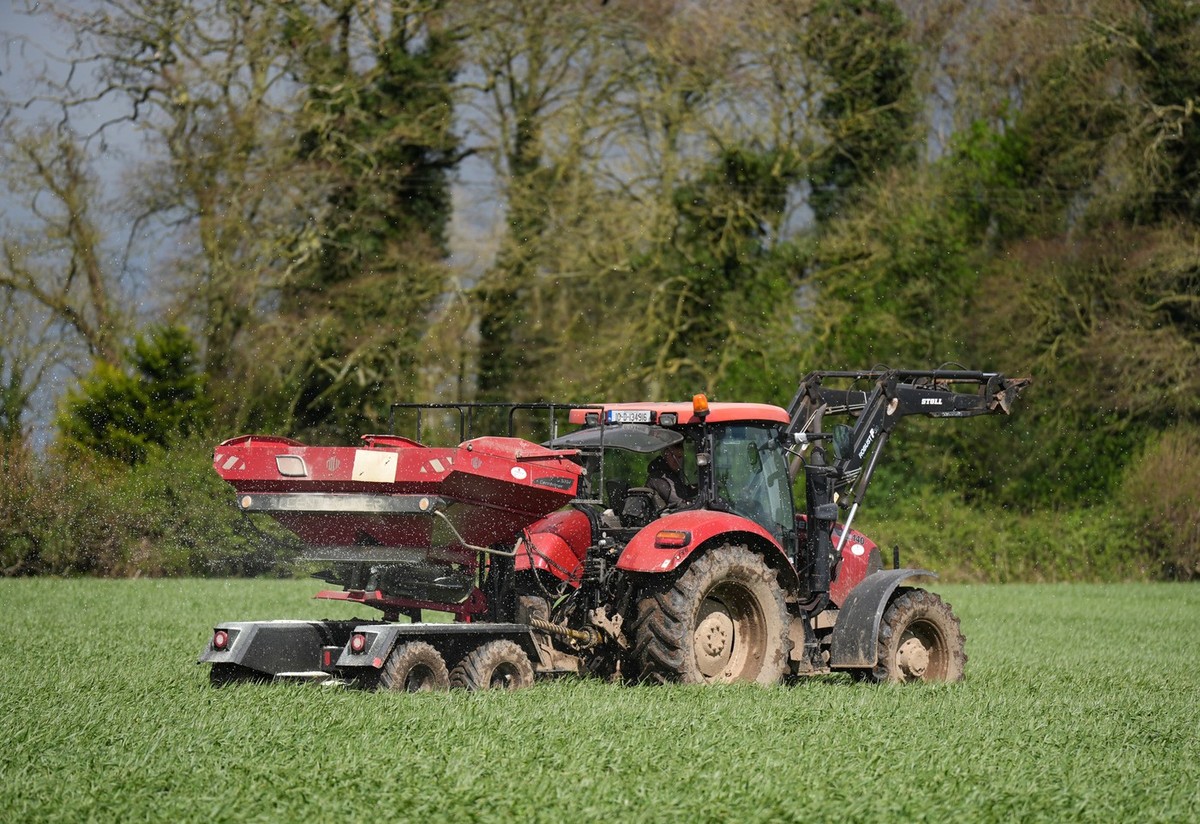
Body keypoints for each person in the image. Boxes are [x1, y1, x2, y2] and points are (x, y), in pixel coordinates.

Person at [645, 441, 696, 508]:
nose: (676, 461)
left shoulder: (670, 475)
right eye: (673, 456)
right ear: (665, 455)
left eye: (680, 457)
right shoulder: (659, 478)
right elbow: (678, 501)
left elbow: (683, 491)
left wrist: (698, 490)